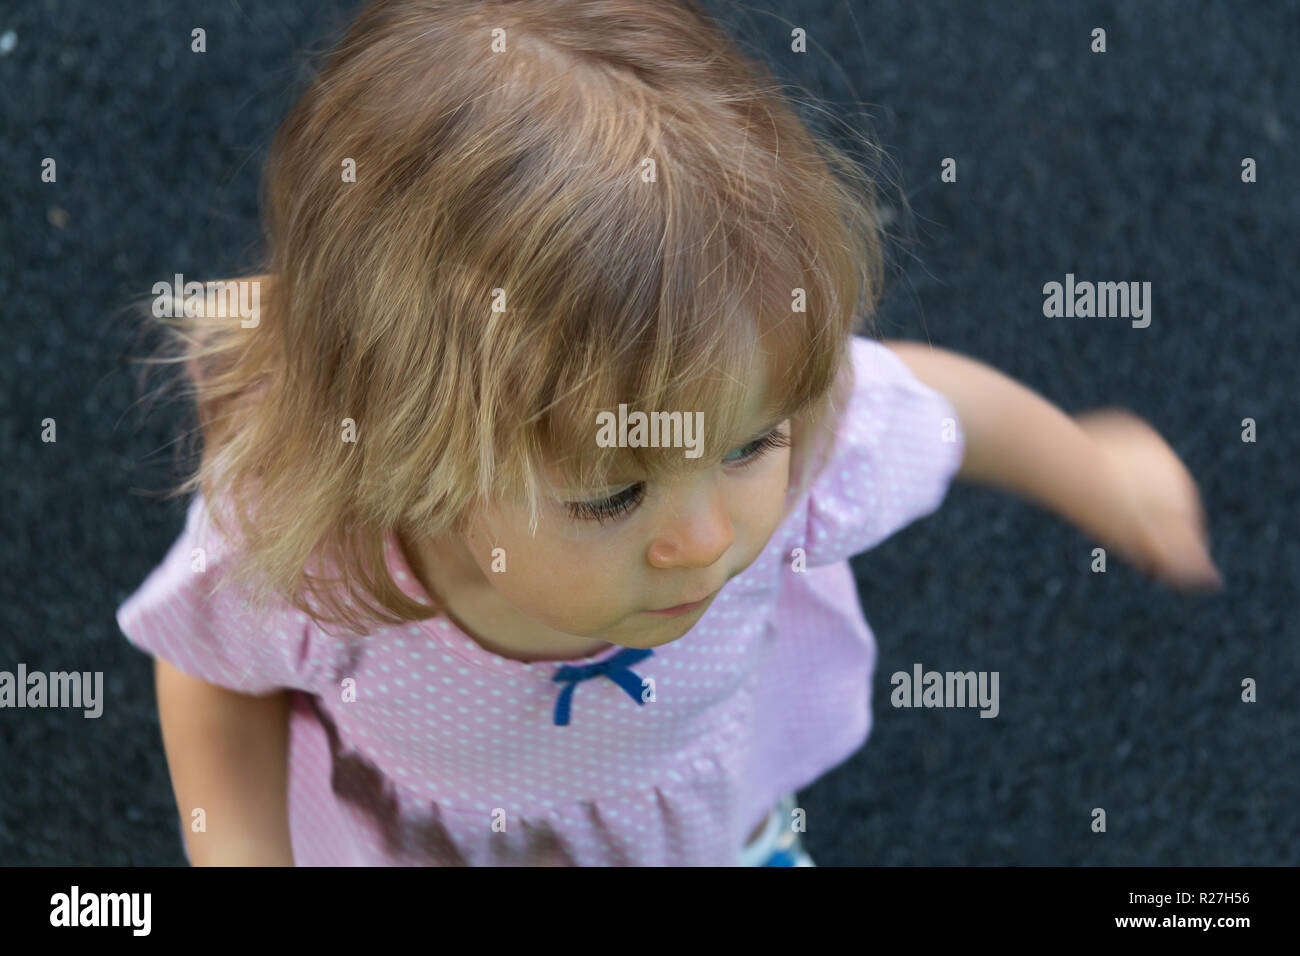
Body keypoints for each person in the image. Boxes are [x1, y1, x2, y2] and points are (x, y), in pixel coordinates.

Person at [117, 0, 1221, 866]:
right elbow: (212, 672)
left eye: (747, 444)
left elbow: (941, 402)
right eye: (611, 495)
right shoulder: (315, 542)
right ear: (408, 461)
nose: (705, 534)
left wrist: (1100, 476)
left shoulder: (773, 427)